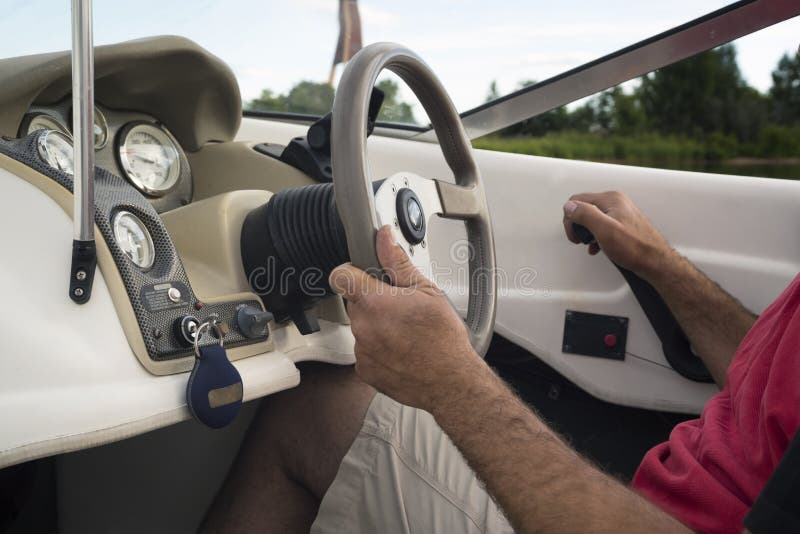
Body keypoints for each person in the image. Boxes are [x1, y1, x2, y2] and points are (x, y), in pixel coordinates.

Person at [202, 191, 800, 534]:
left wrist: (451, 382)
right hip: (663, 493)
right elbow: (771, 383)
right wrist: (658, 263)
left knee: (313, 409)